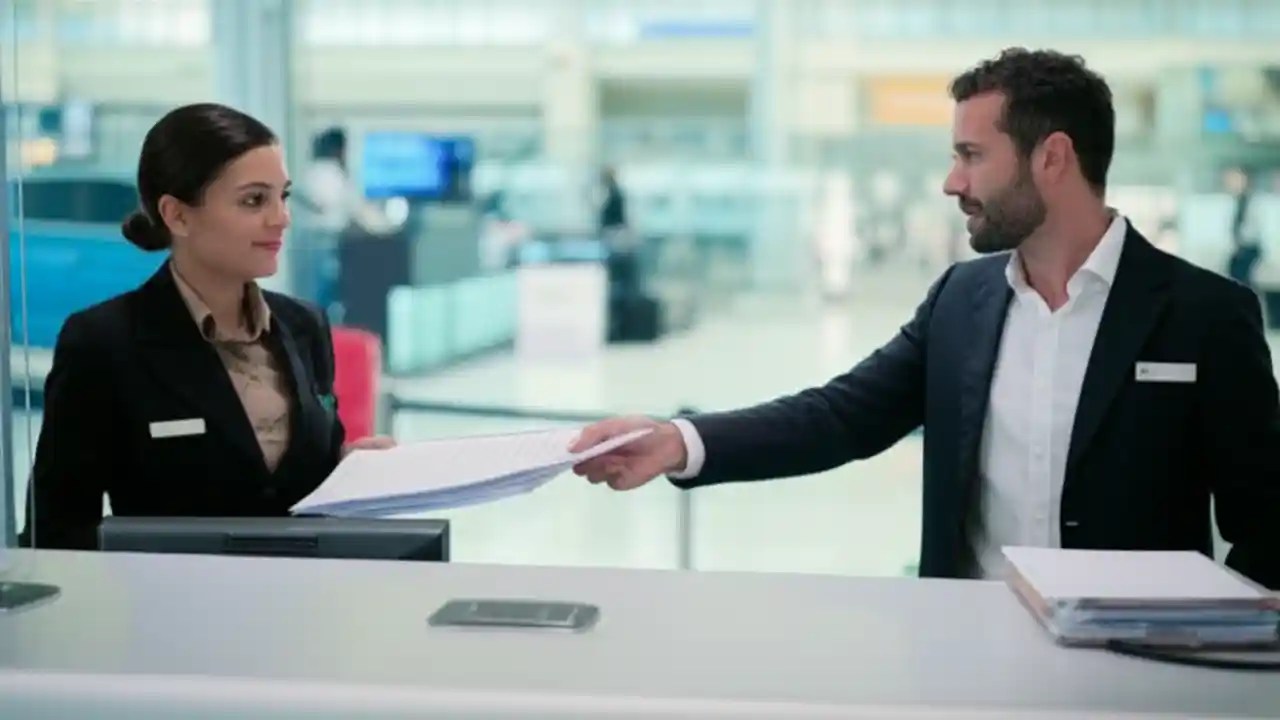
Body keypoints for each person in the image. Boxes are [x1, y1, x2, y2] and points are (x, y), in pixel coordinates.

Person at [571, 48, 1280, 590]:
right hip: (965, 665)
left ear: (1053, 158)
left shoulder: (1204, 317)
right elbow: (840, 417)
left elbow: (1268, 527)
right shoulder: (961, 303)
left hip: (1140, 683)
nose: (952, 182)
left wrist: (1220, 658)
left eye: (972, 156)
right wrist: (677, 441)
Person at [20, 103, 395, 550]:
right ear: (177, 215)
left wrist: (348, 469)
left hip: (303, 599)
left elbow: (299, 478)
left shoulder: (303, 325)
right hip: (167, 608)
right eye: (254, 200)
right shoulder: (104, 342)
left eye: (283, 196)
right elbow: (58, 528)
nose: (281, 218)